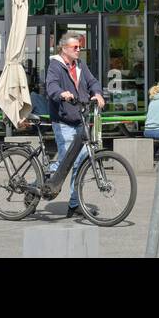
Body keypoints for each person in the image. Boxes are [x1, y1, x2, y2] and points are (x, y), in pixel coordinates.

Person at [45, 31, 105, 217]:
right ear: (64, 48)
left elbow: (92, 81)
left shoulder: (80, 65)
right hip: (63, 120)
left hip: (80, 118)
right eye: (75, 47)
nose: (79, 50)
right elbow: (51, 86)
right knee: (70, 159)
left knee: (81, 158)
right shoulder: (55, 65)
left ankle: (73, 202)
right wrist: (61, 93)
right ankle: (38, 184)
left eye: (80, 47)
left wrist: (97, 93)